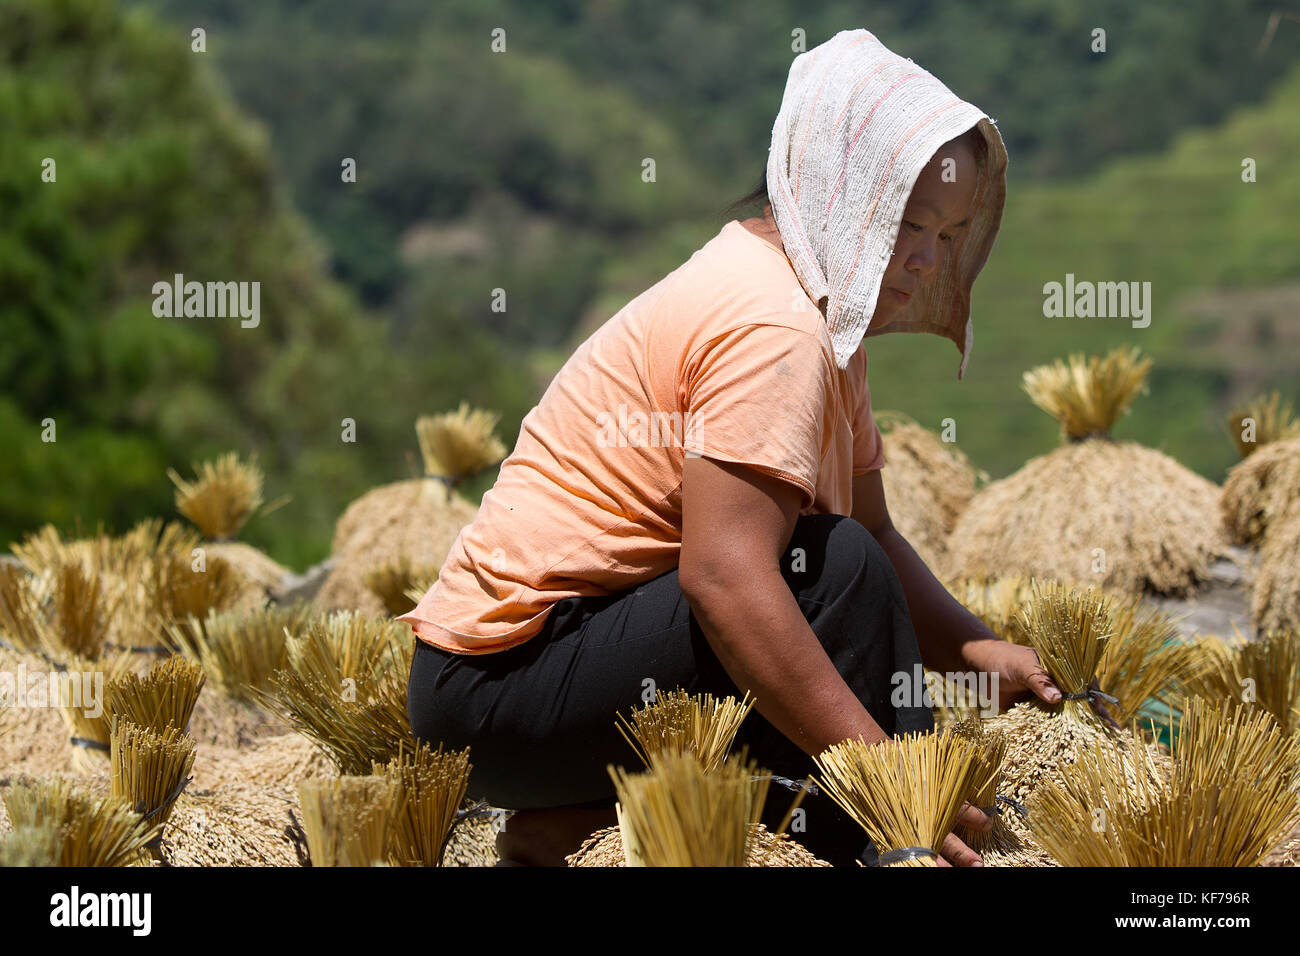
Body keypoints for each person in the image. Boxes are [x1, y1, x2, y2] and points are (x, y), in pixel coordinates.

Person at [400, 29, 1061, 867]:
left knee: (848, 566)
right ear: (839, 195)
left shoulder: (820, 322)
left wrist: (974, 649)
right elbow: (725, 579)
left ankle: (579, 827)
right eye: (908, 225)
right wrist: (890, 775)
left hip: (548, 675)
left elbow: (883, 533)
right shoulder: (774, 326)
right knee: (834, 574)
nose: (927, 260)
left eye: (947, 233)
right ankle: (885, 843)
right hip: (500, 690)